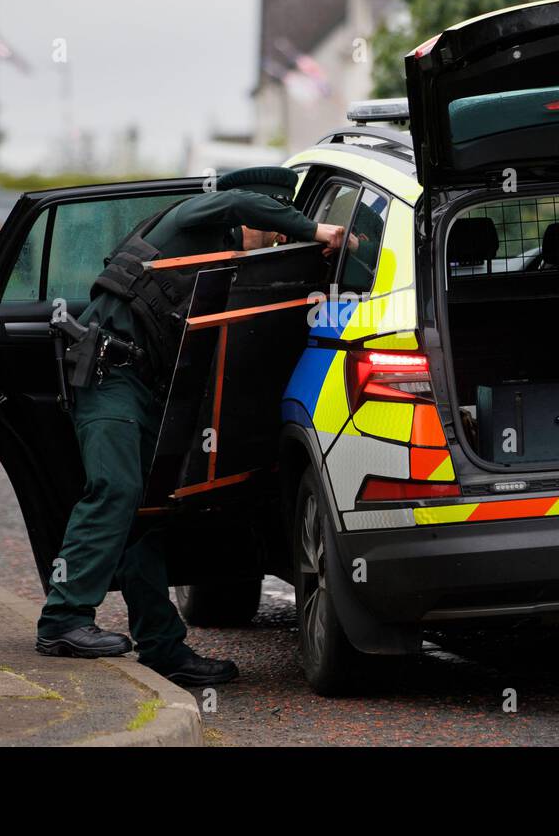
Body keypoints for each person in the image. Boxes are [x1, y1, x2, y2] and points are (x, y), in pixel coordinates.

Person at [35, 167, 346, 686]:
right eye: (270, 231)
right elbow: (238, 204)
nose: (269, 243)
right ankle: (63, 621)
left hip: (138, 381)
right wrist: (320, 232)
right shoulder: (193, 216)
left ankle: (162, 646)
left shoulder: (216, 258)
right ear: (252, 207)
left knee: (147, 511)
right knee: (117, 488)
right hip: (108, 376)